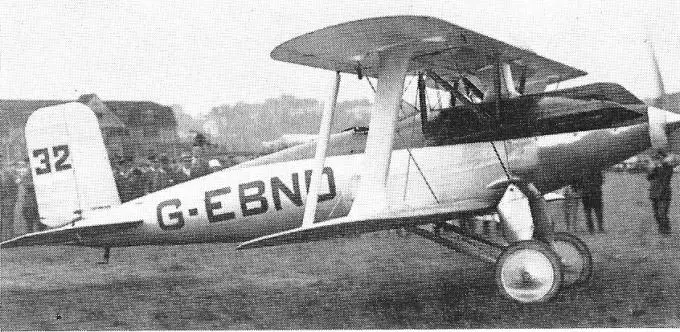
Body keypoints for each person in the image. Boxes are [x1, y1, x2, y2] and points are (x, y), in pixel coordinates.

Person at [647, 150, 674, 235]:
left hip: (664, 194)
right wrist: (652, 168)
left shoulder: (668, 167)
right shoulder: (654, 167)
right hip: (654, 193)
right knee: (656, 214)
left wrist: (658, 165)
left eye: (659, 157)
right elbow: (648, 177)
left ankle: (666, 231)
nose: (657, 159)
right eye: (656, 158)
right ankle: (661, 229)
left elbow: (665, 177)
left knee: (662, 213)